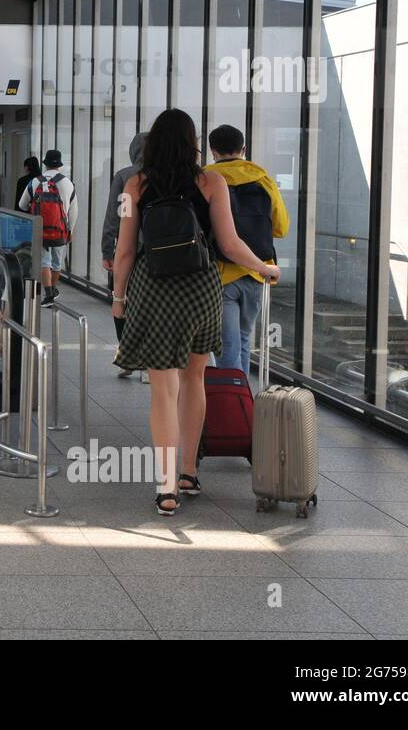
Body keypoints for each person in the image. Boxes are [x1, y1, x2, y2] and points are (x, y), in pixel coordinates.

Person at [111, 109, 280, 517]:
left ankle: (166, 486)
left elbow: (126, 250)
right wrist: (264, 267)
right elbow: (230, 243)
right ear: (193, 142)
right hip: (200, 288)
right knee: (194, 379)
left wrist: (119, 296)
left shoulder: (134, 185)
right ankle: (188, 471)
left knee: (162, 391)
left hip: (153, 289)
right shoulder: (211, 182)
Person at [204, 124, 289, 371]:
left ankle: (234, 407)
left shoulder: (206, 178)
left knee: (227, 346)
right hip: (257, 272)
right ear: (243, 149)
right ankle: (242, 403)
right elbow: (281, 228)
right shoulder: (263, 179)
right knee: (242, 342)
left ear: (212, 151)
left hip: (221, 274)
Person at [101, 132, 148, 377]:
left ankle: (128, 354)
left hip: (130, 250)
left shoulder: (125, 176)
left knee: (120, 301)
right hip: (162, 253)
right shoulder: (171, 174)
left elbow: (114, 215)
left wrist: (107, 249)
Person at [18, 148, 75, 304]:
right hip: (60, 229)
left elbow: (21, 205)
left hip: (39, 229)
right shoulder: (68, 183)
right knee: (57, 263)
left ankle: (48, 292)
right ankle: (53, 289)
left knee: (44, 261)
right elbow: (73, 211)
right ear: (60, 165)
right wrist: (71, 230)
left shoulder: (35, 181)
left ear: (45, 164)